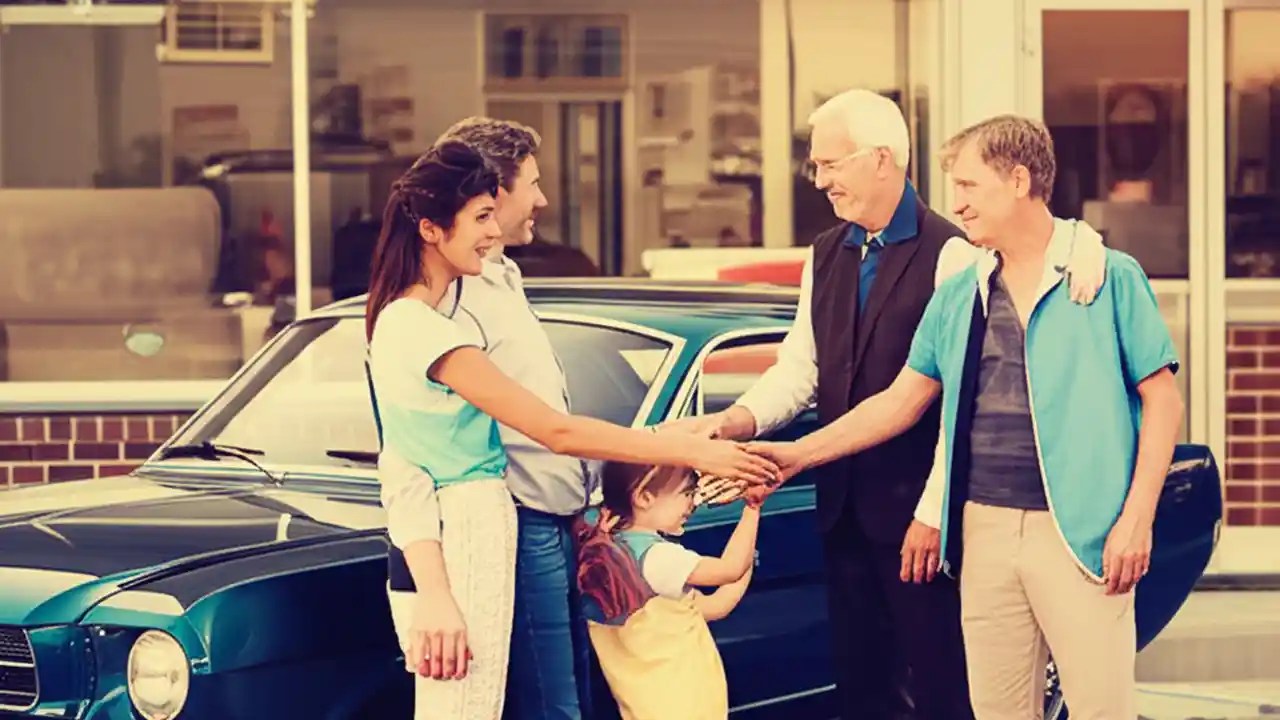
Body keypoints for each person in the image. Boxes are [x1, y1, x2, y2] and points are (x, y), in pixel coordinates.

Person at [662, 89, 1105, 720]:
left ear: (881, 160)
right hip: (840, 511)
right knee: (862, 688)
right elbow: (802, 368)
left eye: (830, 164)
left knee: (942, 689)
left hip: (922, 524)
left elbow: (963, 400)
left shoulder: (955, 253)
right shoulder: (825, 253)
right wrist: (737, 420)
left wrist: (931, 512)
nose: (819, 181)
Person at [749, 115, 1183, 720]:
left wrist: (1136, 520)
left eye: (970, 187)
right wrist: (797, 454)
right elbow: (901, 401)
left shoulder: (1108, 277)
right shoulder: (960, 292)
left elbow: (1163, 401)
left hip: (1080, 535)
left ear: (1019, 180)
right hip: (983, 533)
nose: (957, 205)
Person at [364, 141, 778, 720]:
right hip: (467, 530)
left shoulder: (419, 316)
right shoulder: (418, 326)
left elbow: (406, 466)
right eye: (481, 218)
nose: (494, 230)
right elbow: (553, 431)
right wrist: (680, 449)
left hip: (481, 526)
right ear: (431, 230)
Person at [573, 461, 762, 719]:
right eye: (686, 493)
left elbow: (715, 606)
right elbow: (729, 568)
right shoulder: (659, 558)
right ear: (644, 497)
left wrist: (746, 560)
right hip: (688, 705)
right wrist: (752, 509)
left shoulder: (608, 558)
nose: (692, 502)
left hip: (644, 708)